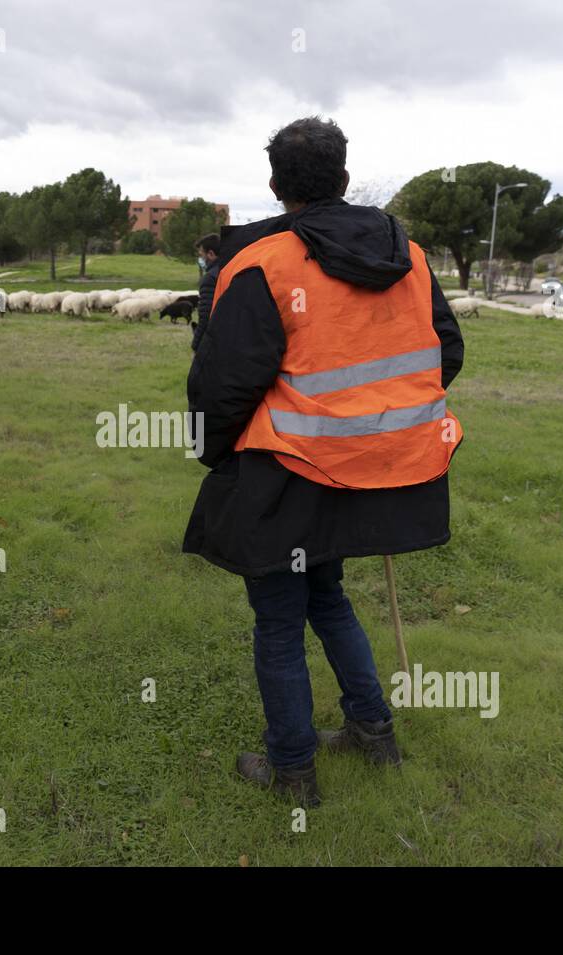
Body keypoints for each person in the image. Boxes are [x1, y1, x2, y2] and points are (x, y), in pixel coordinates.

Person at [183, 116, 465, 807]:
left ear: (276, 186)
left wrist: (211, 450)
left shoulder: (261, 264)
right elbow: (446, 352)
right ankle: (373, 734)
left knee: (279, 615)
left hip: (291, 469)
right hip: (374, 469)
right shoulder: (414, 257)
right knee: (328, 597)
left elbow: (226, 382)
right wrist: (378, 418)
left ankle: (293, 772)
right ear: (343, 177)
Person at [190, 234, 222, 351]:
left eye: (201, 255)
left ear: (211, 254)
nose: (201, 259)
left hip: (216, 341)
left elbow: (206, 315)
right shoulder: (230, 270)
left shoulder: (210, 278)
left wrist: (196, 344)